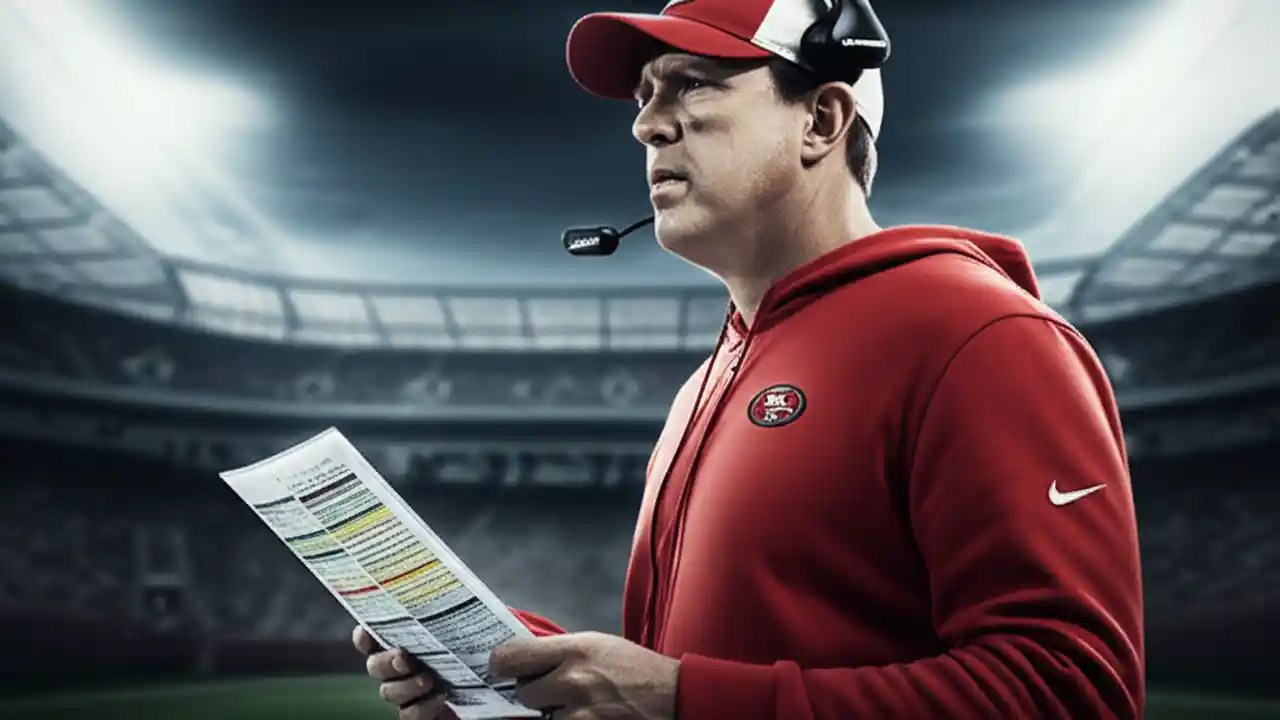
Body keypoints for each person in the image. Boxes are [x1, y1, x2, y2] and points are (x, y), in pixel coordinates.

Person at [356, 0, 1146, 717]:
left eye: (693, 85)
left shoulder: (980, 335)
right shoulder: (704, 384)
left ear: (822, 120)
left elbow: (1070, 693)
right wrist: (525, 672)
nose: (647, 126)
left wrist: (681, 698)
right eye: (644, 97)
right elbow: (711, 674)